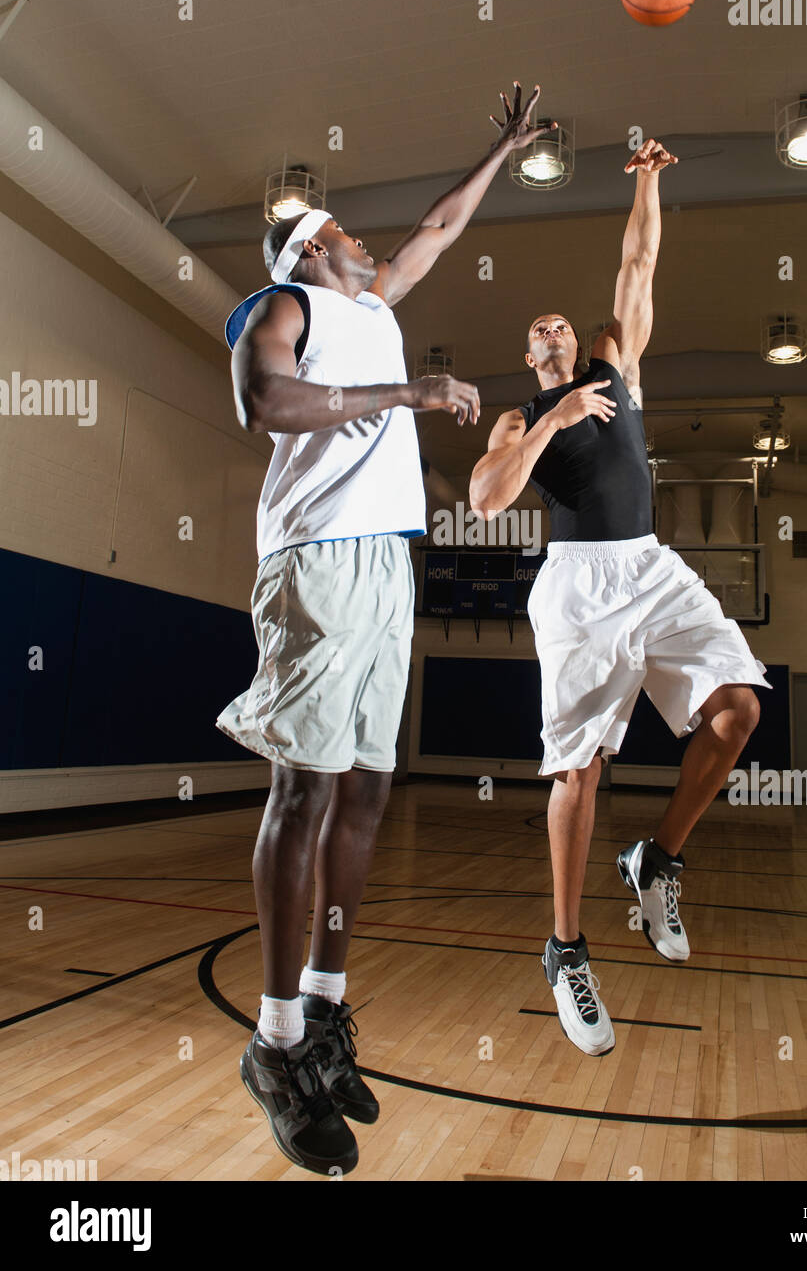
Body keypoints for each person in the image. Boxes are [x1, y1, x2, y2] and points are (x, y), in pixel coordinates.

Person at [218, 83, 553, 1173]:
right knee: (303, 787)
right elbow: (268, 405)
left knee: (366, 786)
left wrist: (498, 146)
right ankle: (271, 1044)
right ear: (313, 252)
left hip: (386, 561)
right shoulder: (288, 310)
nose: (371, 245)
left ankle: (322, 1013)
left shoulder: (374, 303)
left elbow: (440, 226)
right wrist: (405, 397)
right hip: (315, 560)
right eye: (349, 236)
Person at [469, 137, 771, 1057]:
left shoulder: (617, 367)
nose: (555, 329)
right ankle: (565, 949)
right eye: (540, 329)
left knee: (736, 712)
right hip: (573, 586)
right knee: (578, 771)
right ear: (529, 355)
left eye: (563, 324)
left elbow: (639, 262)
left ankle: (657, 859)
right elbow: (485, 501)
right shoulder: (522, 416)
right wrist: (553, 417)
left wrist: (643, 180)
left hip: (649, 565)